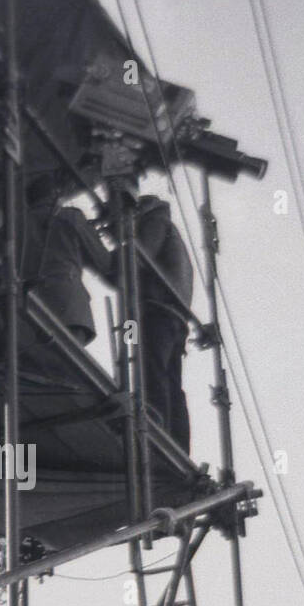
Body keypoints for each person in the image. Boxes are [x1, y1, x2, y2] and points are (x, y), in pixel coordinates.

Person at [133, 193, 193, 455]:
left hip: (157, 310)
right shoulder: (174, 233)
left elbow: (137, 258)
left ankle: (157, 430)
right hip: (176, 317)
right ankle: (177, 443)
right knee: (170, 380)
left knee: (152, 371)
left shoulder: (155, 223)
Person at [22, 173, 113, 345]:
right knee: (61, 364)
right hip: (67, 307)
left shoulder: (15, 224)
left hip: (24, 307)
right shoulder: (71, 216)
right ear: (55, 194)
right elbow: (104, 262)